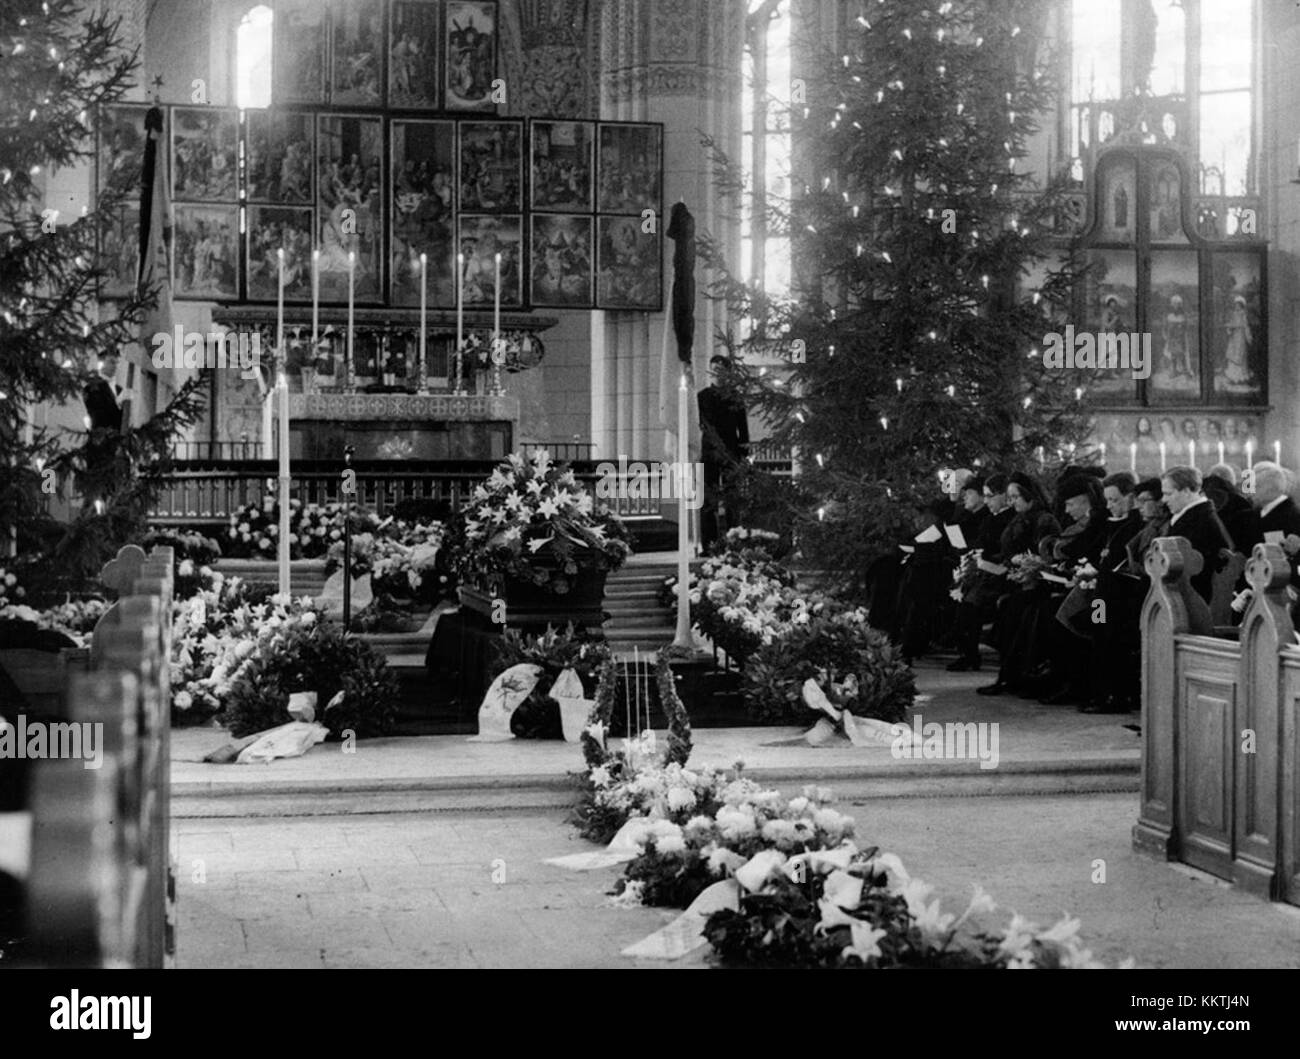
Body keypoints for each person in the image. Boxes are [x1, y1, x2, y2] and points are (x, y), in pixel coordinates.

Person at [949, 474, 1013, 671]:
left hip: (998, 574)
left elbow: (1005, 552)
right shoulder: (990, 519)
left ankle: (970, 654)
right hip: (983, 571)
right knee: (965, 602)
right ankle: (968, 653)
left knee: (971, 603)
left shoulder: (1008, 520)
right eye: (984, 496)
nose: (986, 501)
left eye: (990, 496)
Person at [697, 355, 749, 551]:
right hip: (708, 454)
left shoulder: (736, 397)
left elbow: (743, 431)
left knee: (732, 501)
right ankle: (709, 545)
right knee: (708, 500)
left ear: (727, 372)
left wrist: (743, 458)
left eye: (721, 368)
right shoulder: (701, 397)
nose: (716, 371)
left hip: (731, 454)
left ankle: (734, 543)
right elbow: (697, 426)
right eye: (713, 368)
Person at [1162, 466, 1232, 603]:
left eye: (1169, 494)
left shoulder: (1200, 520)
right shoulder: (1192, 515)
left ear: (1187, 491)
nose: (1164, 499)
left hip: (1194, 600)